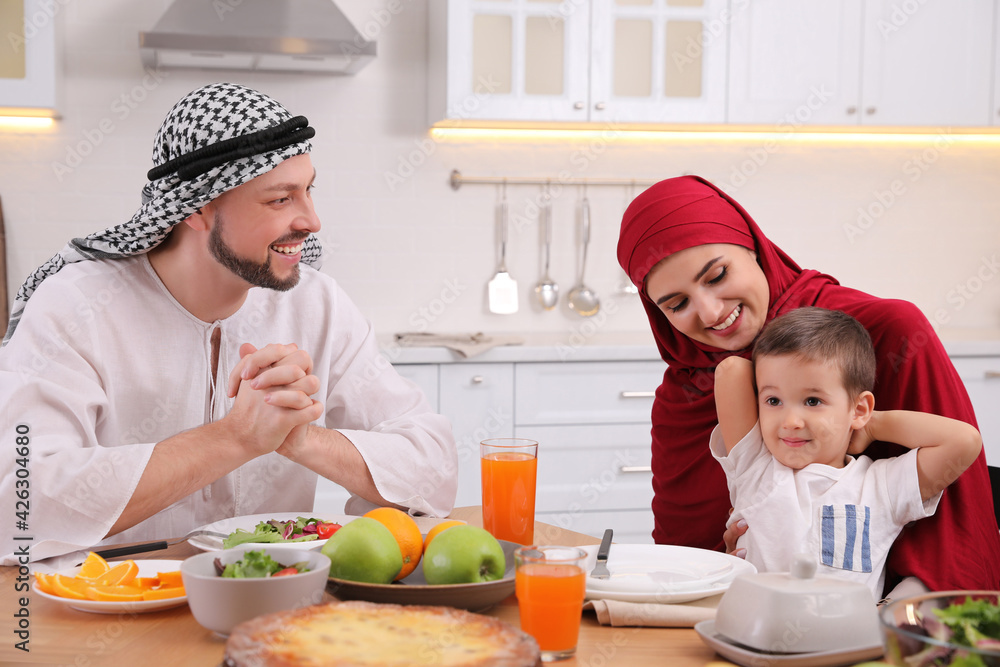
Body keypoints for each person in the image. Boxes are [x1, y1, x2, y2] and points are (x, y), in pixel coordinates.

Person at [0, 83, 457, 565]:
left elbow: (434, 469)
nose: (312, 220)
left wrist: (302, 437)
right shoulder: (77, 306)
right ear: (197, 208)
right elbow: (16, 503)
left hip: (276, 604)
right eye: (280, 199)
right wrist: (234, 438)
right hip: (115, 613)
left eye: (308, 190)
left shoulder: (317, 304)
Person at [617, 174, 1000, 596]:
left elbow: (954, 525)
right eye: (677, 304)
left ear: (755, 249)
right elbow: (681, 553)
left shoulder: (888, 332)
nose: (709, 313)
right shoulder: (681, 398)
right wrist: (727, 561)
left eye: (717, 276)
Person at [712, 306, 981, 598]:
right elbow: (731, 371)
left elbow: (964, 440)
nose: (790, 422)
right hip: (753, 633)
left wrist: (871, 424)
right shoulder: (754, 465)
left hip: (849, 640)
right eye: (773, 400)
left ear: (860, 408)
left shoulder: (881, 486)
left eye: (813, 401)